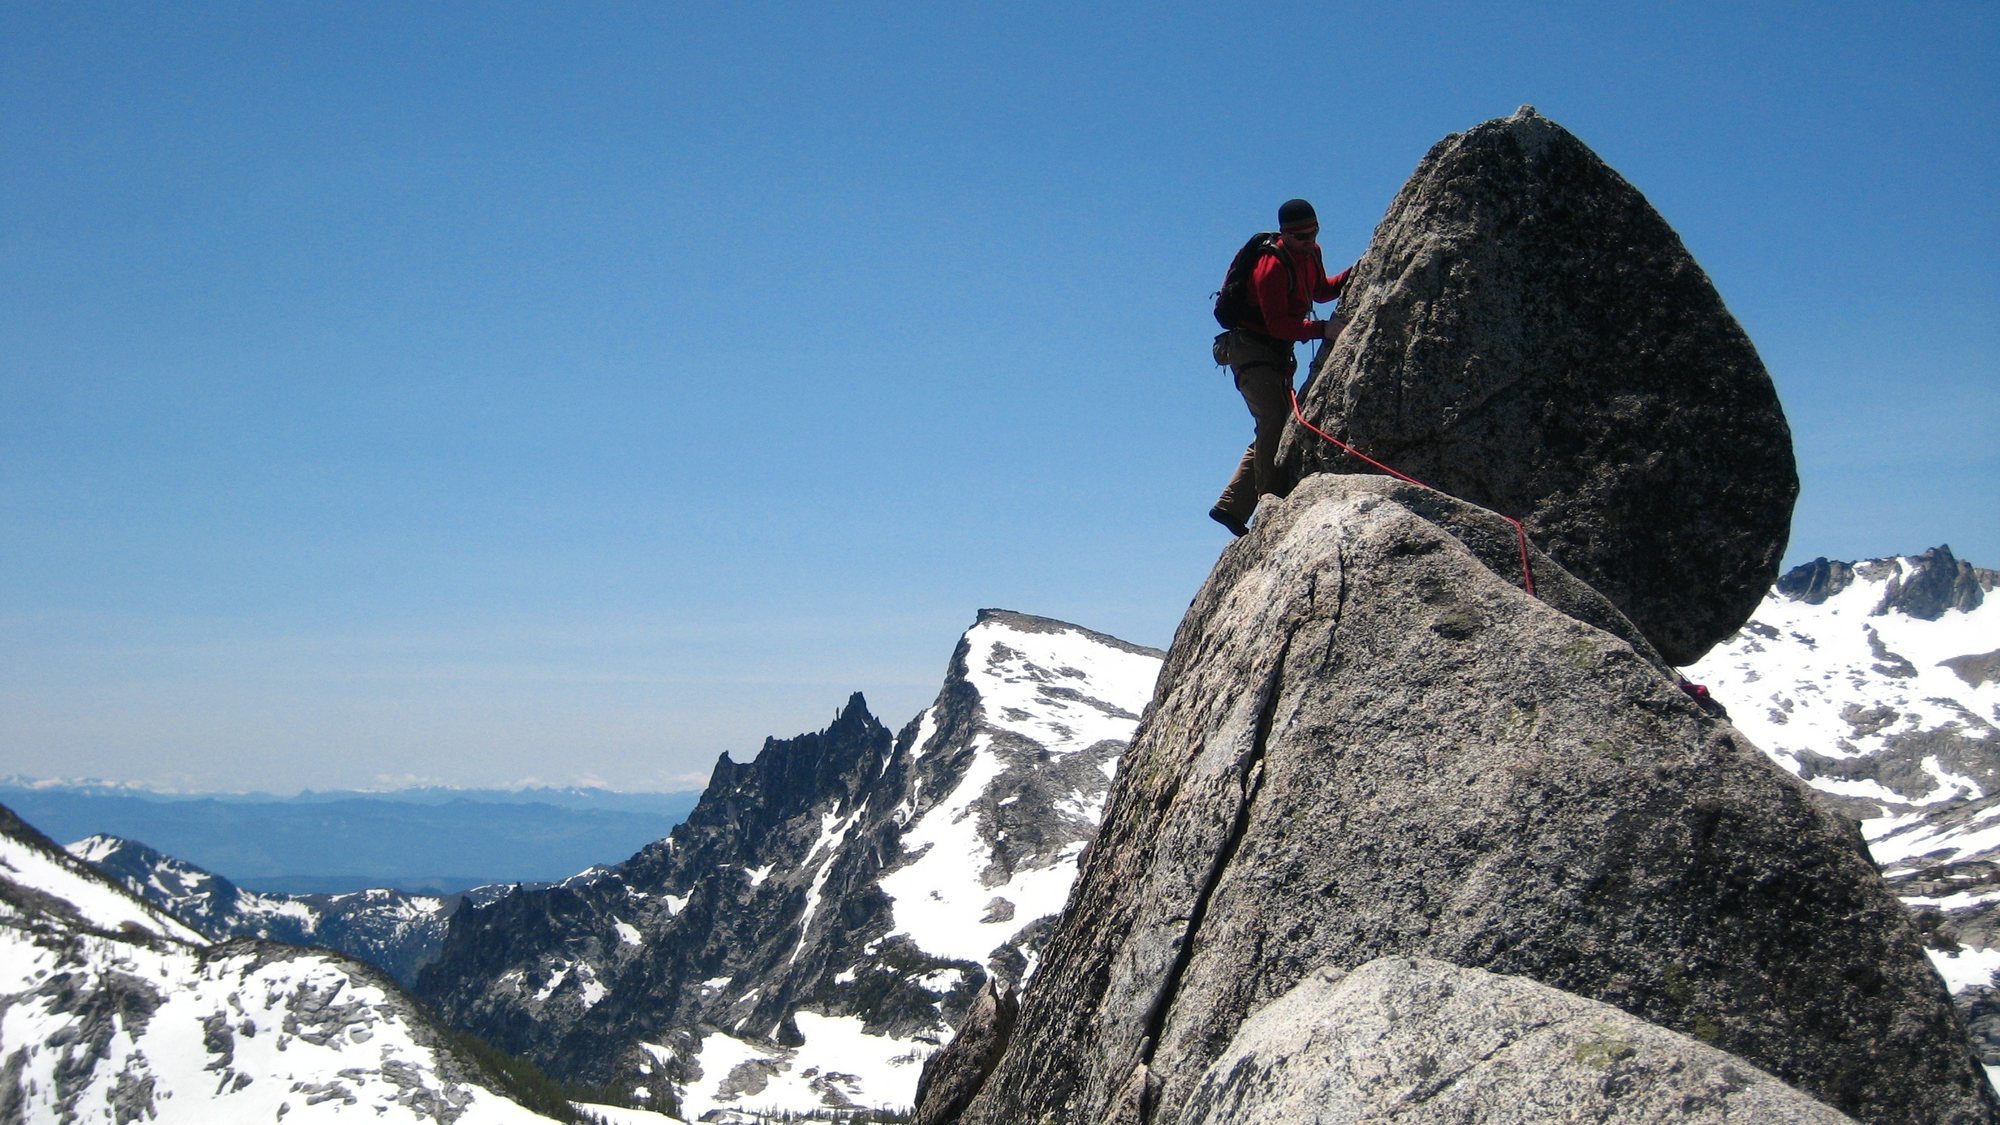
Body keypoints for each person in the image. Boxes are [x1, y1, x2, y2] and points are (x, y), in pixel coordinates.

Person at [1209, 198, 1351, 537]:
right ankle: (1268, 499)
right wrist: (1320, 330)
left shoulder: (1310, 253)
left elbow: (1318, 291)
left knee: (1276, 421)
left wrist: (1353, 273)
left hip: (1274, 352)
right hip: (1250, 349)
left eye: (1314, 234)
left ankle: (1230, 507)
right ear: (1285, 234)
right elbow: (1277, 325)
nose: (1309, 242)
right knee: (1274, 416)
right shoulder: (1270, 267)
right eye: (1301, 237)